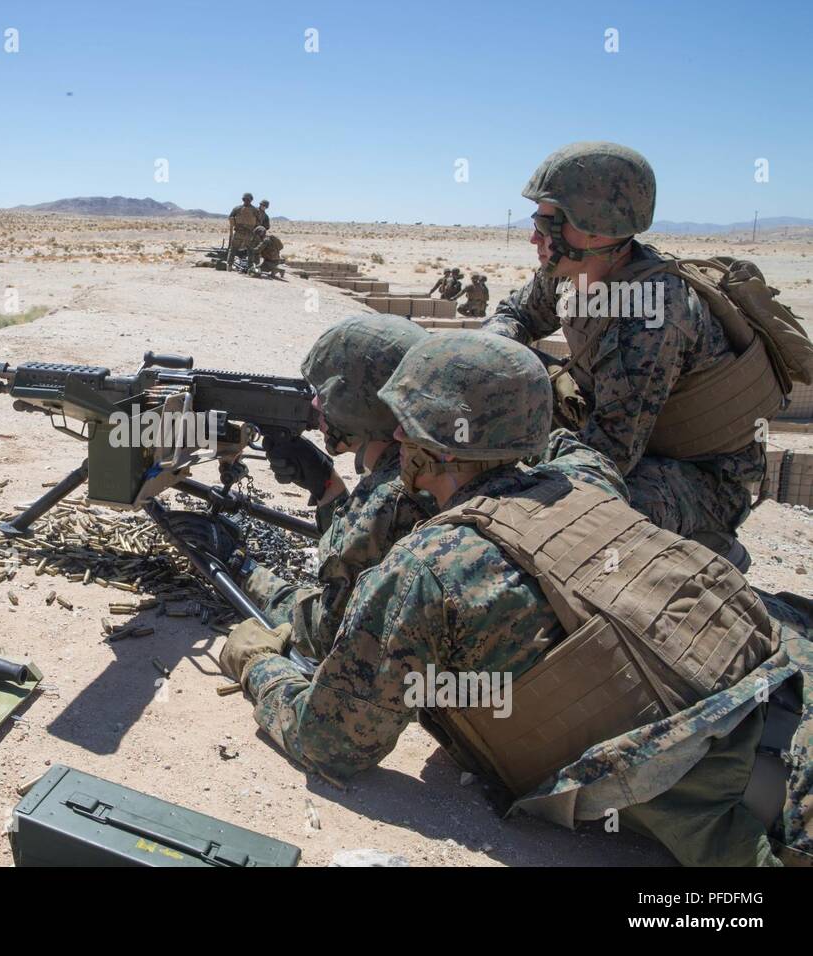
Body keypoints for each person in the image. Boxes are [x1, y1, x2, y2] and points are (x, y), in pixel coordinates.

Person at [219, 331, 812, 866]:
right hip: (784, 676)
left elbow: (332, 743)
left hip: (766, 792)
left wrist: (259, 665)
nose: (397, 436)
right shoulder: (586, 475)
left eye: (407, 425)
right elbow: (552, 441)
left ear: (431, 447)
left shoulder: (424, 570)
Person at [482, 141, 774, 566]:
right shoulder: (568, 272)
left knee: (576, 517)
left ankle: (709, 544)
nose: (534, 237)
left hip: (696, 477)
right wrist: (485, 363)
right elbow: (515, 314)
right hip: (620, 430)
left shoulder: (653, 314)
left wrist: (516, 462)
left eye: (549, 225)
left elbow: (608, 456)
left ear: (596, 229)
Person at [194, 316, 434, 660]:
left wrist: (239, 566)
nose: (317, 406)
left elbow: (328, 631)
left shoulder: (392, 497)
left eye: (327, 394)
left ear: (364, 405)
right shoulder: (429, 460)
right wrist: (328, 490)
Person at [228, 193, 260, 270]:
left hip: (242, 233)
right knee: (249, 251)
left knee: (234, 249)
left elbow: (230, 218)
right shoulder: (255, 210)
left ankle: (229, 266)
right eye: (245, 199)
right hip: (247, 234)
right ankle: (249, 268)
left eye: (247, 199)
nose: (246, 201)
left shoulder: (237, 208)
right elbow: (258, 222)